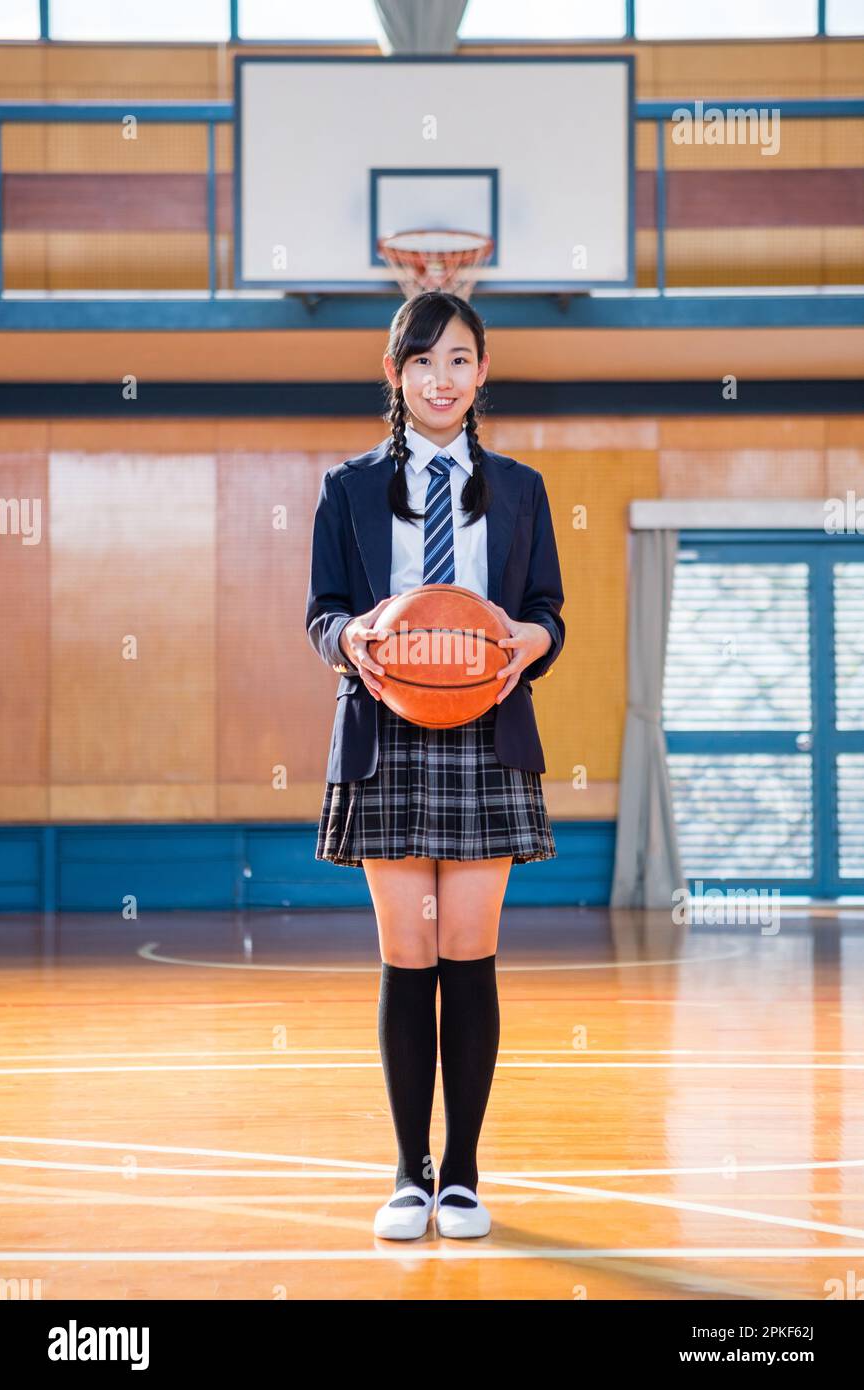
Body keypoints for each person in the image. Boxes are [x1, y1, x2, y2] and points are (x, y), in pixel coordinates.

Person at [305, 290, 565, 1239]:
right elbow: (321, 614)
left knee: (471, 953)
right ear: (395, 375)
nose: (441, 378)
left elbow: (550, 613)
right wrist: (357, 641)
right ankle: (408, 1174)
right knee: (407, 957)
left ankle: (462, 1175)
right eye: (422, 362)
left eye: (459, 359)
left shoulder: (525, 490)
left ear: (482, 371)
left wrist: (522, 644)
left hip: (488, 733)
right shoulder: (348, 487)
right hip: (386, 732)